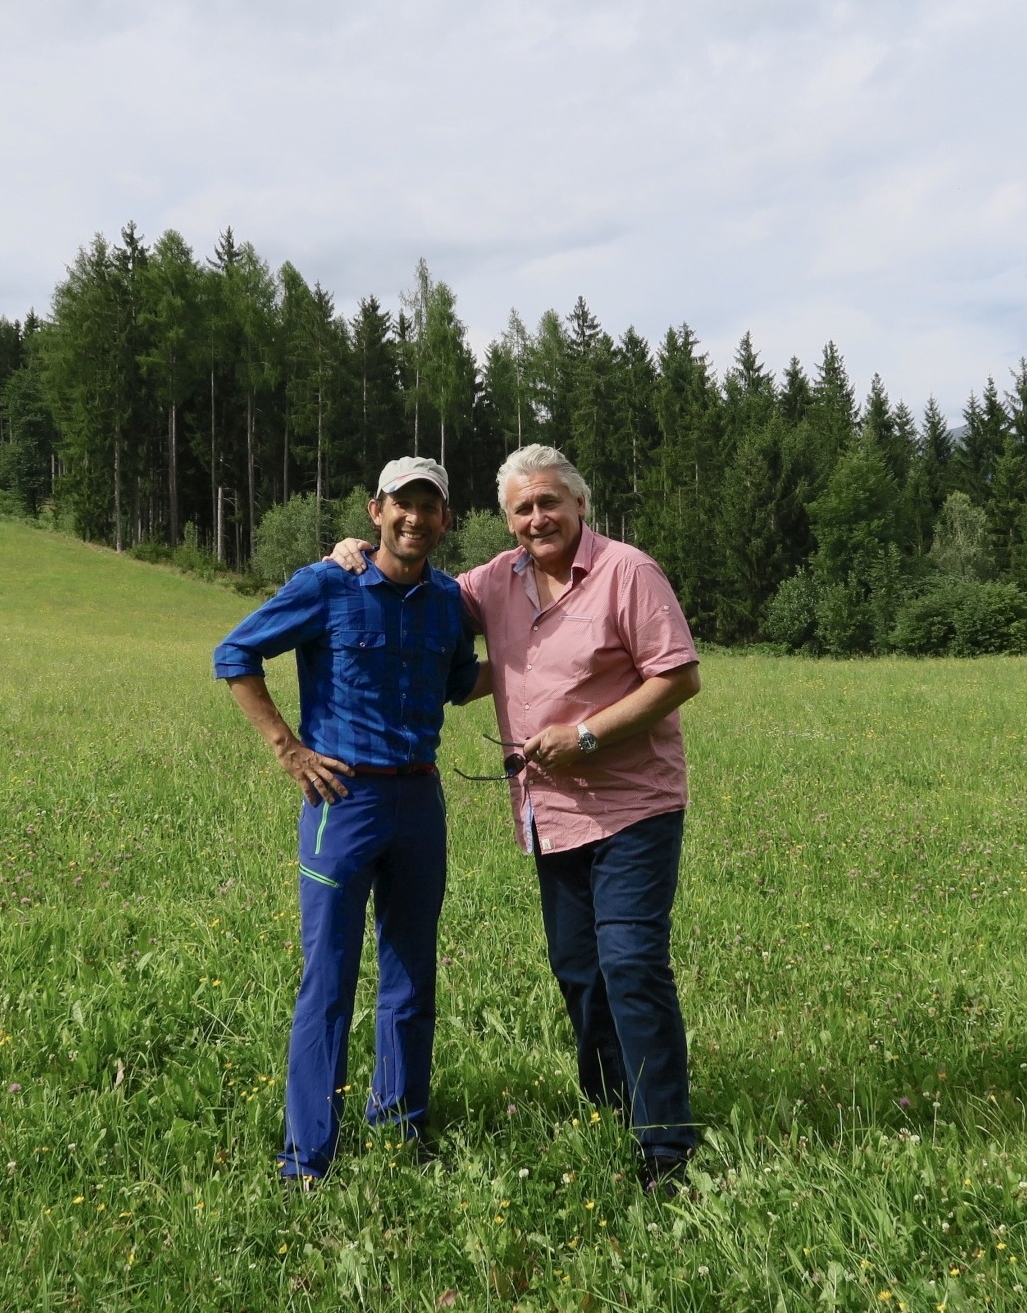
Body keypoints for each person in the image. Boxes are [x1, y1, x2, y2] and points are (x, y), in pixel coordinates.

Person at [332, 444, 702, 1191]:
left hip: (633, 804)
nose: (538, 518)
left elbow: (678, 676)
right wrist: (355, 554)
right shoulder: (494, 582)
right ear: (507, 521)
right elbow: (418, 584)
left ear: (580, 506)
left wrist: (586, 734)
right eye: (523, 508)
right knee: (580, 971)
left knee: (630, 962)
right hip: (550, 811)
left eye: (549, 503)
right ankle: (613, 1104)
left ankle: (665, 1144)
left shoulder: (628, 572)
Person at [215, 457, 483, 1183]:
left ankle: (399, 1132)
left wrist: (559, 671)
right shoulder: (328, 583)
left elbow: (463, 681)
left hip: (419, 802)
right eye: (402, 503)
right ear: (376, 510)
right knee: (328, 980)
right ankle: (308, 1157)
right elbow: (234, 652)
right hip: (342, 803)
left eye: (429, 506)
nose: (414, 518)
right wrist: (288, 748)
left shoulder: (448, 601)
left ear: (445, 520)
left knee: (412, 976)